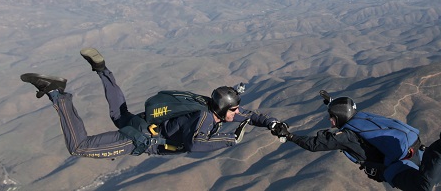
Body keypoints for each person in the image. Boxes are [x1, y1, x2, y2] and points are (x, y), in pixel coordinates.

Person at [20, 48, 280, 158]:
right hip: (139, 139)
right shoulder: (203, 119)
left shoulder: (209, 106)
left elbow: (250, 115)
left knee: (119, 113)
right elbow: (195, 144)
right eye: (234, 109)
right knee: (79, 147)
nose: (238, 112)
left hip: (143, 124)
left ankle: (102, 70)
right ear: (223, 110)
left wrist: (272, 123)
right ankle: (57, 93)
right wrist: (231, 140)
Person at [269, 88, 441, 190]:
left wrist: (288, 135)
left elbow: (313, 145)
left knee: (424, 186)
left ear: (338, 119)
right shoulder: (361, 117)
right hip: (414, 148)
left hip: (397, 166)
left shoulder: (345, 135)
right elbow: (343, 108)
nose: (330, 122)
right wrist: (330, 102)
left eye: (331, 118)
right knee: (438, 154)